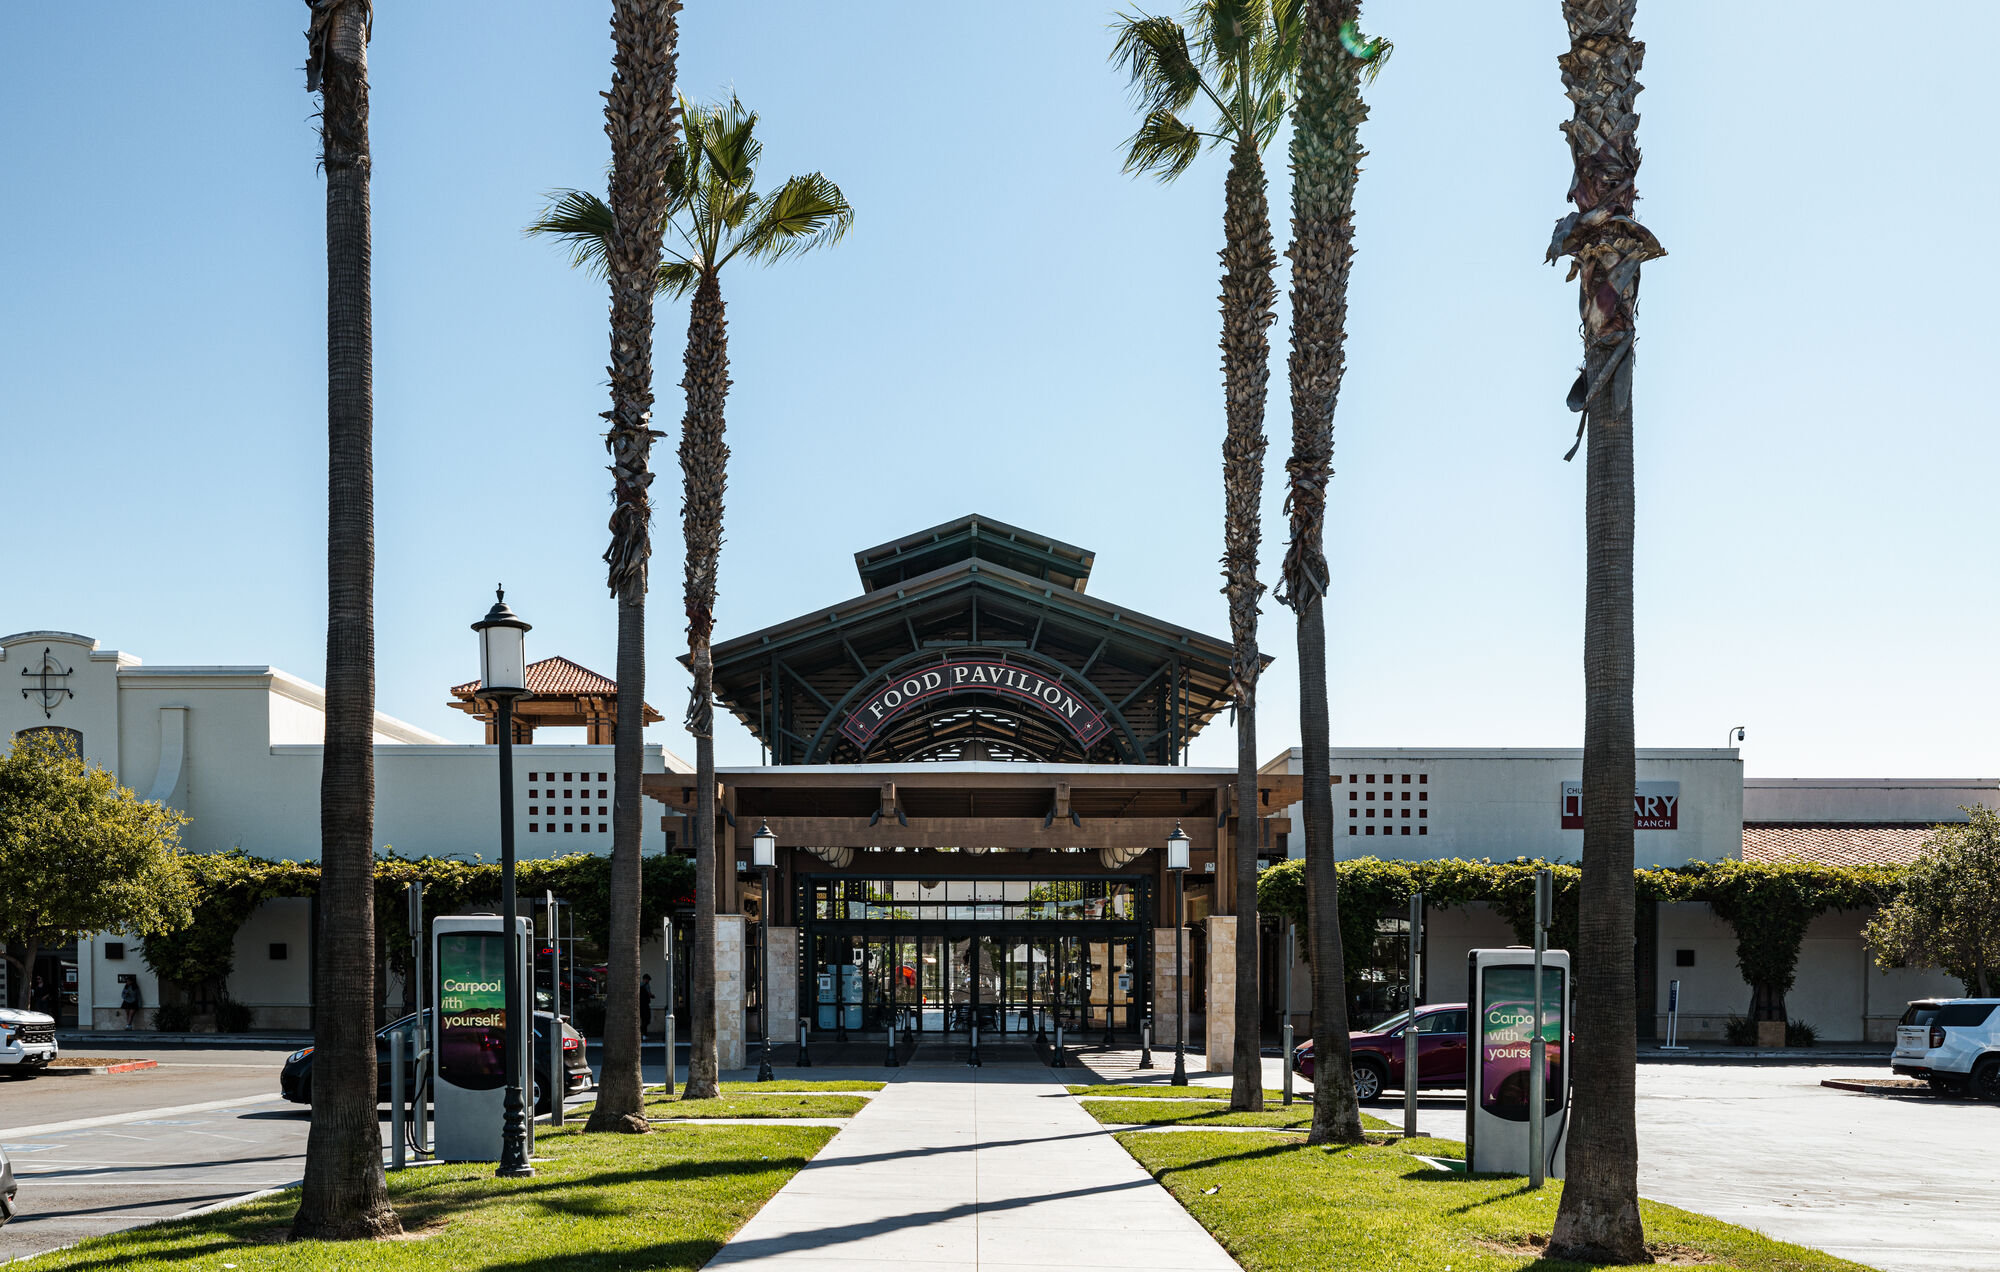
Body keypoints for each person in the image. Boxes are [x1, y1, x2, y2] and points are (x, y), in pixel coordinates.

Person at [639, 973, 656, 1039]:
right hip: (645, 1005)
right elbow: (649, 994)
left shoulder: (639, 985)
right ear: (645, 979)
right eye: (648, 980)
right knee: (647, 1020)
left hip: (640, 1005)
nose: (648, 981)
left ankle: (644, 1035)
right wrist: (652, 996)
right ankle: (642, 1031)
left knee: (643, 1019)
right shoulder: (646, 985)